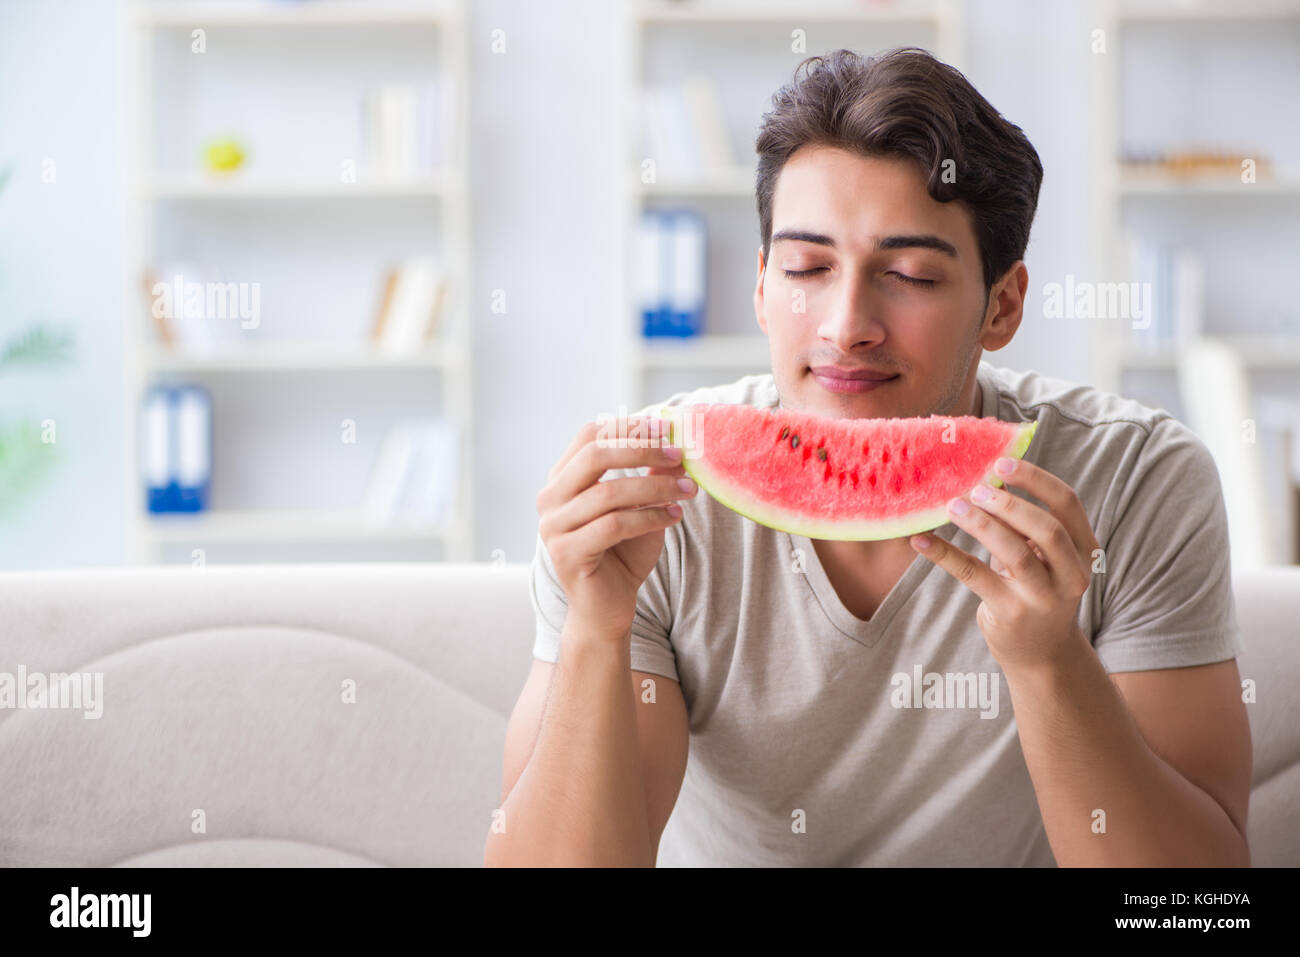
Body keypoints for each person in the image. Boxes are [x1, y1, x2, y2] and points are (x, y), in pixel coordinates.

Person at [485, 47, 1251, 867]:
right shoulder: (640, 496)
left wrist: (1050, 661)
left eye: (910, 273)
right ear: (760, 286)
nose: (845, 322)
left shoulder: (1137, 480)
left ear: (1004, 304)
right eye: (807, 267)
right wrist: (597, 627)